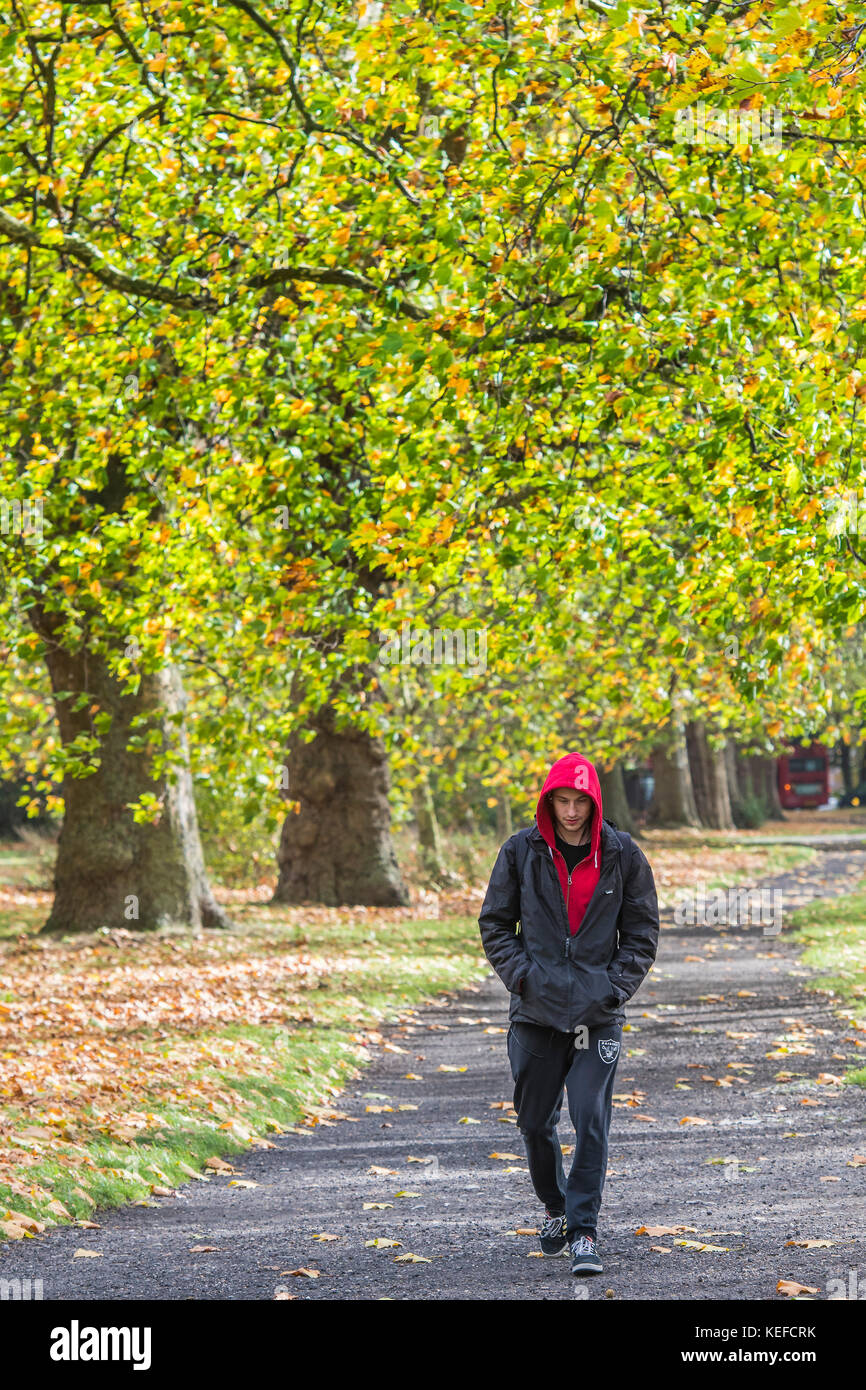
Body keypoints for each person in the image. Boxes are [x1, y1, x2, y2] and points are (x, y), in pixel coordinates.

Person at [478, 751, 660, 1275]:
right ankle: (557, 1207)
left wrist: (613, 989)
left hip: (597, 1013)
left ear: (595, 802)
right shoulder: (519, 852)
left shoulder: (623, 855)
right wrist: (524, 978)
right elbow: (495, 923)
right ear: (548, 800)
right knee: (535, 1123)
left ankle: (584, 1230)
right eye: (563, 800)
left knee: (591, 1118)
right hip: (535, 1014)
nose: (572, 811)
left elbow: (643, 932)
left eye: (581, 801)